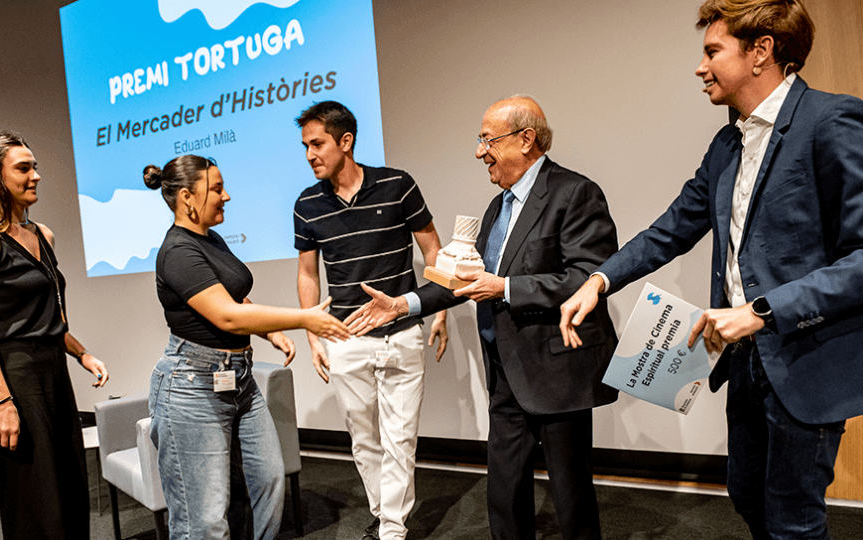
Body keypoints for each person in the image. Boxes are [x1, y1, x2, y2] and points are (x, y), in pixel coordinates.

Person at [559, 1, 863, 538]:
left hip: (804, 359)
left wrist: (762, 311)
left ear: (760, 52)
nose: (700, 67)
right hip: (743, 363)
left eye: (712, 51)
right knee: (747, 498)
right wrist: (599, 280)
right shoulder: (727, 142)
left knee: (793, 521)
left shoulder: (830, 120)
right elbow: (672, 228)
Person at [346, 96, 619, 540]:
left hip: (557, 374)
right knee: (504, 493)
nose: (479, 152)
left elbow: (588, 276)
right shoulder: (497, 207)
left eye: (487, 140)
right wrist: (403, 305)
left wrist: (506, 288)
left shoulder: (574, 192)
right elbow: (462, 280)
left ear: (526, 139)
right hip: (506, 371)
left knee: (571, 498)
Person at [144, 154, 349, 540]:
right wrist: (303, 318)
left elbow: (235, 298)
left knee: (269, 483)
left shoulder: (211, 239)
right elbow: (226, 316)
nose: (227, 197)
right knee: (202, 520)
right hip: (192, 386)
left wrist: (269, 332)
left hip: (237, 381)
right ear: (187, 197)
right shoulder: (177, 251)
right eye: (217, 189)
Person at [293, 101, 448, 540]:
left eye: (317, 143)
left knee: (400, 437)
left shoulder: (398, 185)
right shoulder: (307, 204)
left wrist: (436, 311)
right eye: (305, 146)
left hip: (401, 332)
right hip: (344, 336)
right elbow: (308, 274)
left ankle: (393, 530)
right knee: (364, 441)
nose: (309, 154)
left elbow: (431, 249)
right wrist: (312, 333)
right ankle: (384, 516)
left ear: (346, 142)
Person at [0, 130, 109, 540]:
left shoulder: (43, 235)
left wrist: (81, 354)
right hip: (14, 379)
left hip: (53, 376)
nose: (35, 175)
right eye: (23, 168)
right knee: (36, 504)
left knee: (70, 489)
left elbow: (47, 318)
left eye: (35, 166)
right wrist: (2, 402)